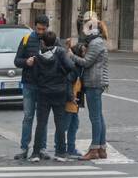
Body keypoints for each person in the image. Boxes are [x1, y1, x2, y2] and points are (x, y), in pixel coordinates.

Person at [68, 14, 111, 160]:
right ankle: (102, 148)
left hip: (94, 82)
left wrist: (70, 55)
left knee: (95, 117)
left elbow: (86, 62)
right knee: (99, 116)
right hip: (96, 82)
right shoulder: (97, 42)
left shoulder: (95, 43)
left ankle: (94, 149)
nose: (84, 32)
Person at [30, 30, 73, 162]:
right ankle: (61, 152)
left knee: (41, 123)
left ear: (43, 41)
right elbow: (70, 66)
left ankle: (36, 153)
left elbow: (34, 75)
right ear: (55, 41)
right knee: (60, 122)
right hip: (59, 91)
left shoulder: (38, 55)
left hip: (43, 91)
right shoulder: (60, 52)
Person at [13, 14, 49, 160]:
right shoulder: (27, 39)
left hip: (45, 85)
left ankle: (42, 148)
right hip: (29, 83)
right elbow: (17, 61)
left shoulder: (52, 39)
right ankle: (24, 148)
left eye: (43, 29)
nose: (40, 32)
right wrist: (26, 62)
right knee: (28, 117)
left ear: (47, 28)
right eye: (38, 28)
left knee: (42, 118)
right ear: (35, 26)